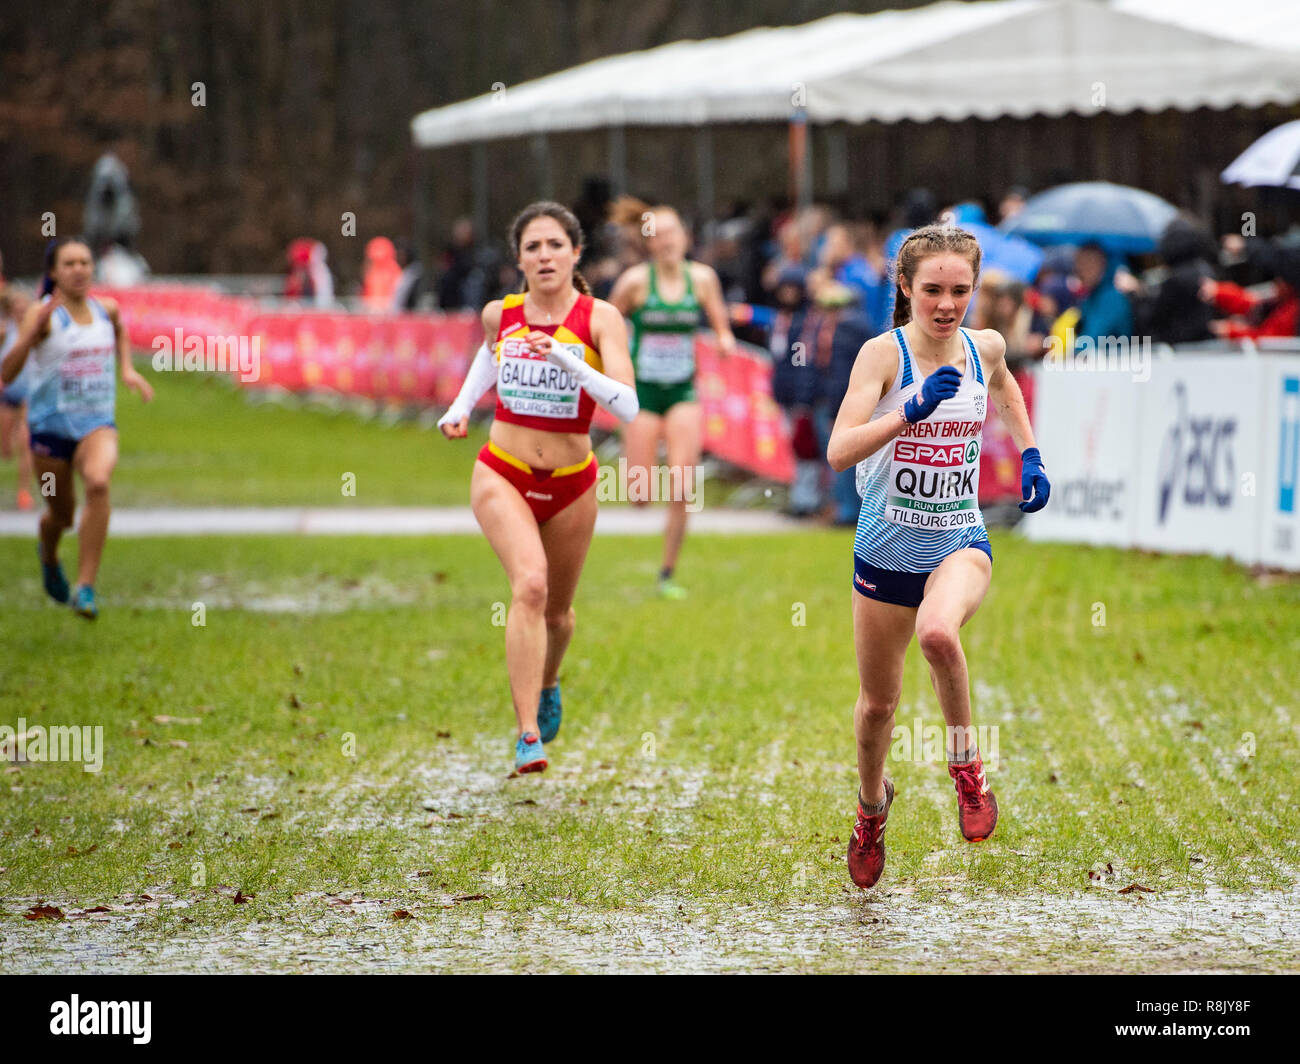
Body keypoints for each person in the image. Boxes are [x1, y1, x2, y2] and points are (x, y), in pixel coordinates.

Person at [826, 224, 1050, 889]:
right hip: (885, 550)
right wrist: (907, 412)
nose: (947, 304)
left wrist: (1030, 449)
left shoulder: (986, 347)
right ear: (905, 287)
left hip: (959, 538)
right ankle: (871, 811)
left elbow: (1006, 386)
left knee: (939, 633)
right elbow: (839, 451)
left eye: (960, 290)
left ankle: (967, 770)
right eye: (932, 290)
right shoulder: (882, 356)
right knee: (876, 709)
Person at [437, 202, 638, 774]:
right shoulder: (499, 315)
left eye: (555, 245)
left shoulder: (600, 319)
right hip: (503, 470)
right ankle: (528, 734)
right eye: (532, 247)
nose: (544, 256)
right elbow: (488, 356)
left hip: (573, 483)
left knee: (559, 614)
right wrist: (458, 409)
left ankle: (548, 683)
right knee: (528, 586)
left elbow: (627, 404)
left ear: (576, 253)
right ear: (518, 258)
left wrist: (572, 364)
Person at [0, 237, 155, 618]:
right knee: (62, 516)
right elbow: (7, 372)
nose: (79, 269)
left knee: (99, 482)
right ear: (53, 272)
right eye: (69, 263)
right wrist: (29, 341)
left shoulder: (107, 309)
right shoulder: (43, 315)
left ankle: (85, 587)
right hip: (50, 430)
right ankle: (49, 554)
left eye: (85, 262)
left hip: (97, 423)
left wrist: (128, 369)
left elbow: (119, 330)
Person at [608, 198, 736, 599]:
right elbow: (605, 324)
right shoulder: (633, 282)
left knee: (682, 483)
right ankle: (642, 486)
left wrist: (724, 339)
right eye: (657, 235)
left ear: (685, 236)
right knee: (640, 495)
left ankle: (667, 573)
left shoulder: (701, 279)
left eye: (672, 232)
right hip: (642, 393)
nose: (665, 241)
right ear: (648, 243)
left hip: (682, 389)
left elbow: (719, 321)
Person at [0, 283, 36, 510]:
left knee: (26, 443)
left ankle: (24, 492)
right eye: (18, 307)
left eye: (25, 307)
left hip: (30, 395)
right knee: (6, 449)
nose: (22, 311)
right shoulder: (5, 332)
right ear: (12, 310)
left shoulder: (38, 332)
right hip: (8, 394)